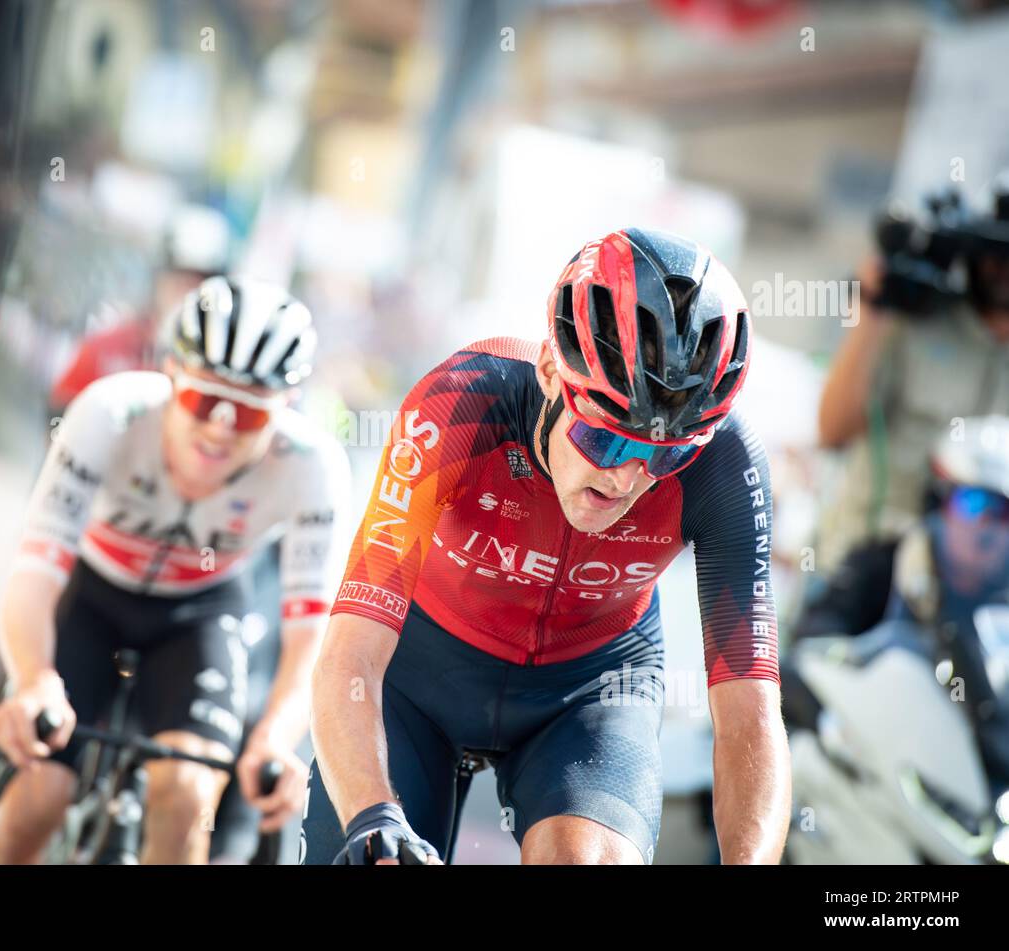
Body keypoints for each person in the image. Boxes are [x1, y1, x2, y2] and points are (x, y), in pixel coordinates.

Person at [303, 227, 789, 865]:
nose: (625, 478)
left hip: (590, 688)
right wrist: (373, 814)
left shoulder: (725, 465)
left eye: (666, 455)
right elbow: (349, 656)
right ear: (550, 373)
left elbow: (749, 708)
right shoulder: (461, 404)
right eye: (607, 439)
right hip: (415, 679)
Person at [0, 277, 351, 864]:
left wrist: (276, 735)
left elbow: (311, 637)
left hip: (199, 609)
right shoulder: (108, 412)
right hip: (91, 593)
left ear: (287, 407)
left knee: (190, 793)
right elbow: (36, 570)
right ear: (172, 373)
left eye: (249, 413)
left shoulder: (312, 467)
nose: (219, 426)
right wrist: (31, 679)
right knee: (38, 795)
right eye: (205, 399)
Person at [807, 181, 1009, 635]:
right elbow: (832, 429)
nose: (1003, 271)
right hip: (862, 575)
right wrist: (874, 308)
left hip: (975, 606)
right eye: (996, 254)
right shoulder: (914, 322)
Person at [48, 204, 232, 418]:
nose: (185, 295)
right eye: (179, 280)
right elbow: (60, 416)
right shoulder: (109, 348)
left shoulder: (218, 375)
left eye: (197, 284)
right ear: (159, 279)